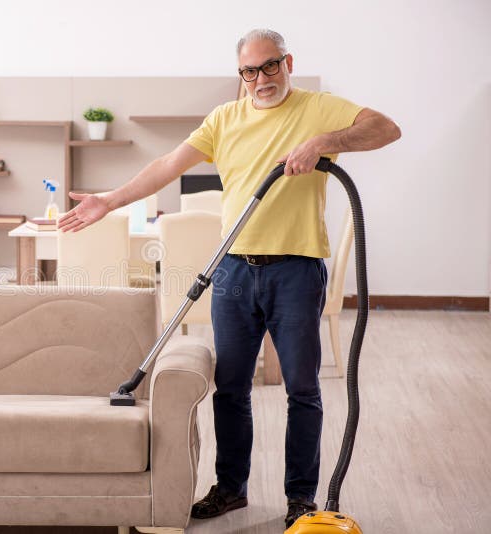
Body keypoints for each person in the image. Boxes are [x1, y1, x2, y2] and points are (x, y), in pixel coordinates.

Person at [58, 29, 400, 529]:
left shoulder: (318, 108)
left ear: (288, 63)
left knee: (302, 390)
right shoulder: (224, 118)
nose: (261, 79)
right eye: (249, 71)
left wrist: (324, 142)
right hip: (234, 269)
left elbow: (386, 128)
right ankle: (230, 489)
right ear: (240, 74)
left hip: (296, 271)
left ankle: (301, 498)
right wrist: (109, 201)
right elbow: (168, 164)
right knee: (231, 388)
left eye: (270, 66)